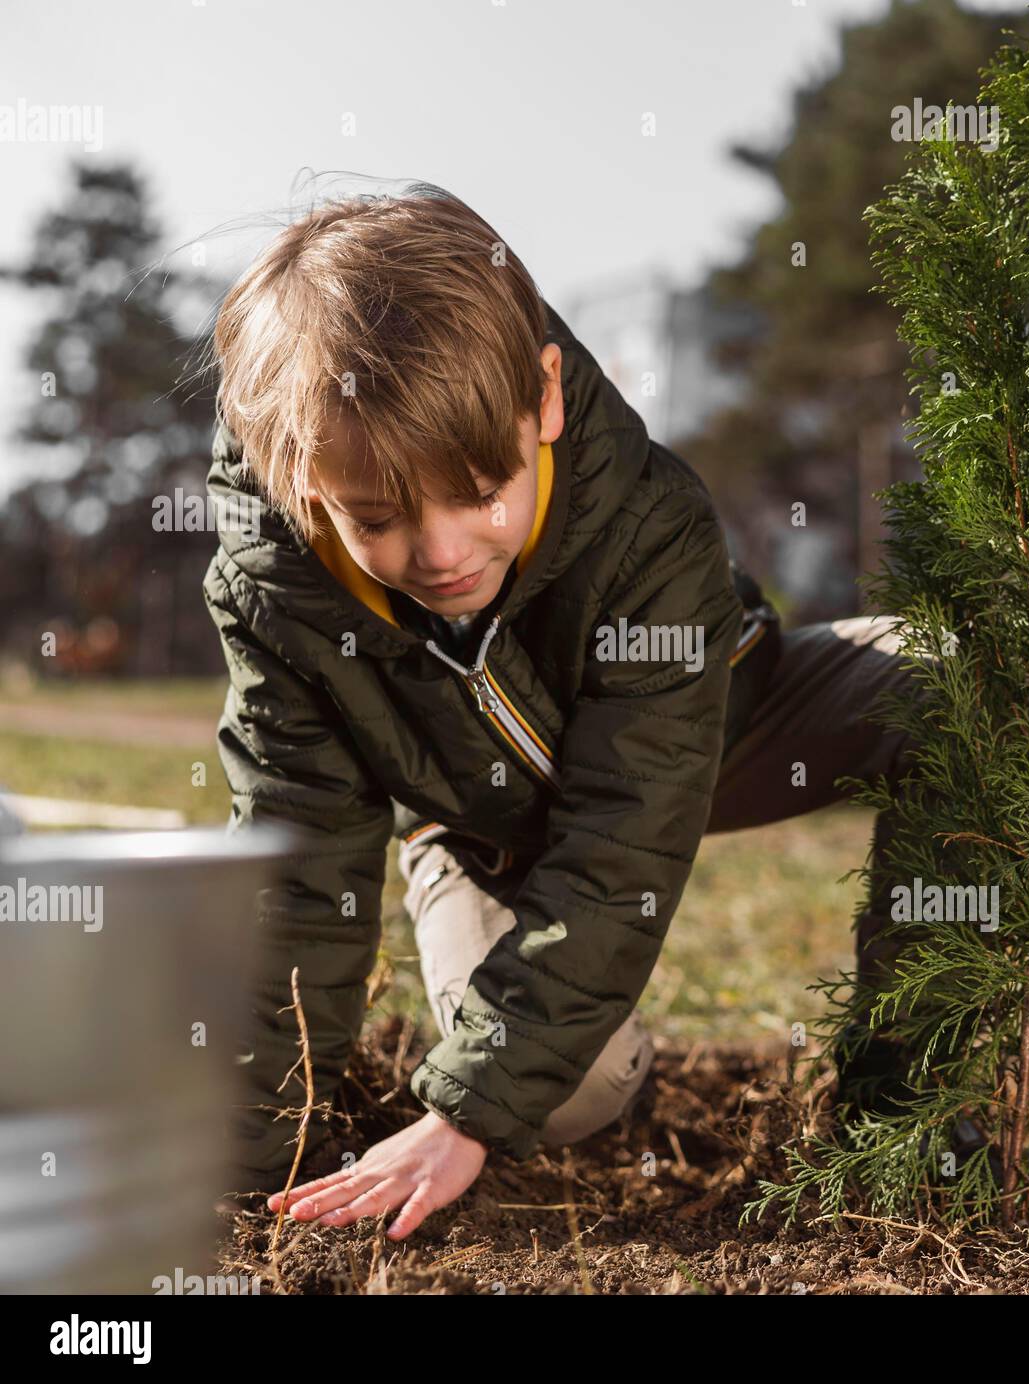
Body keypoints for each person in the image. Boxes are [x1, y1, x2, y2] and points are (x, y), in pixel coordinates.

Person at [203, 183, 925, 1240]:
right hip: (484, 819)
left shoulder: (646, 524)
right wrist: (256, 1152)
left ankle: (908, 1117)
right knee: (570, 1087)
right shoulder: (281, 591)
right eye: (379, 516)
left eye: (481, 488)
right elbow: (297, 864)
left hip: (722, 723)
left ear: (542, 401)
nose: (443, 552)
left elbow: (626, 836)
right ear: (305, 482)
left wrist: (465, 1112)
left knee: (965, 688)